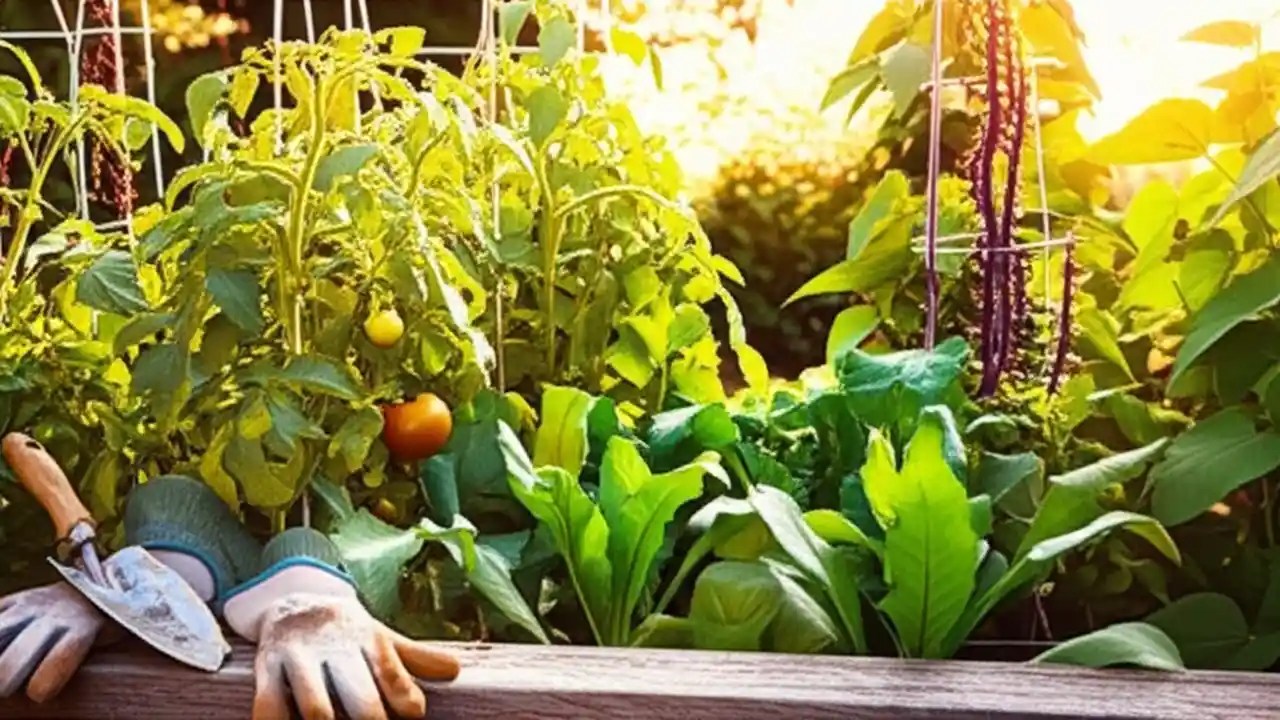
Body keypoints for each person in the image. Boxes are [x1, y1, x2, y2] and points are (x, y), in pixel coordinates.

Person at [0, 433, 460, 719]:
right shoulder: (165, 515)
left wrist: (313, 596)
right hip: (182, 556)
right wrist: (102, 594)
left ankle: (287, 576)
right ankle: (178, 566)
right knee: (164, 499)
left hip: (282, 564)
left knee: (298, 540)